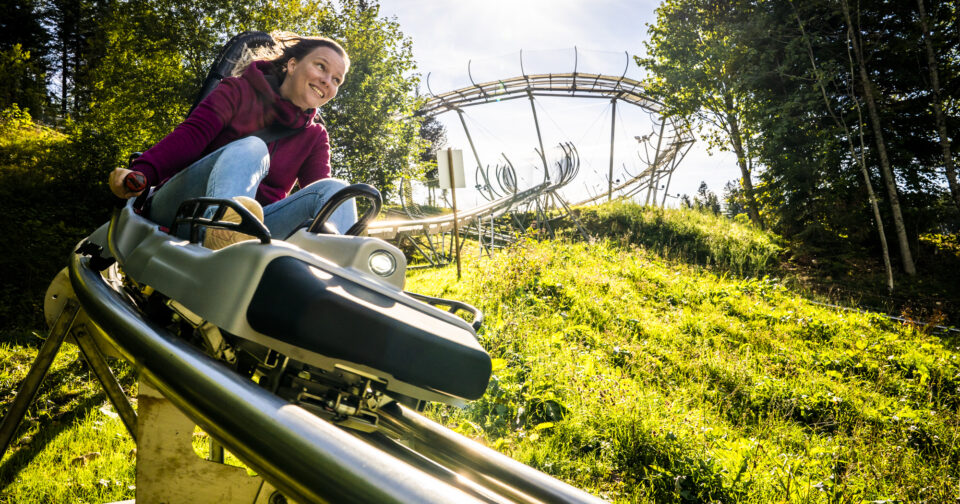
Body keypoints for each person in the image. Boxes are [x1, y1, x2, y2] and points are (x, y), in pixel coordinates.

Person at [108, 33, 356, 249]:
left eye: (337, 80)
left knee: (336, 190)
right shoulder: (238, 91)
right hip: (185, 209)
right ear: (292, 65)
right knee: (252, 148)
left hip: (256, 231)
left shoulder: (315, 136)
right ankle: (225, 229)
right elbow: (190, 136)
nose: (327, 81)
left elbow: (318, 197)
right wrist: (144, 171)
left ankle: (346, 271)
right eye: (321, 67)